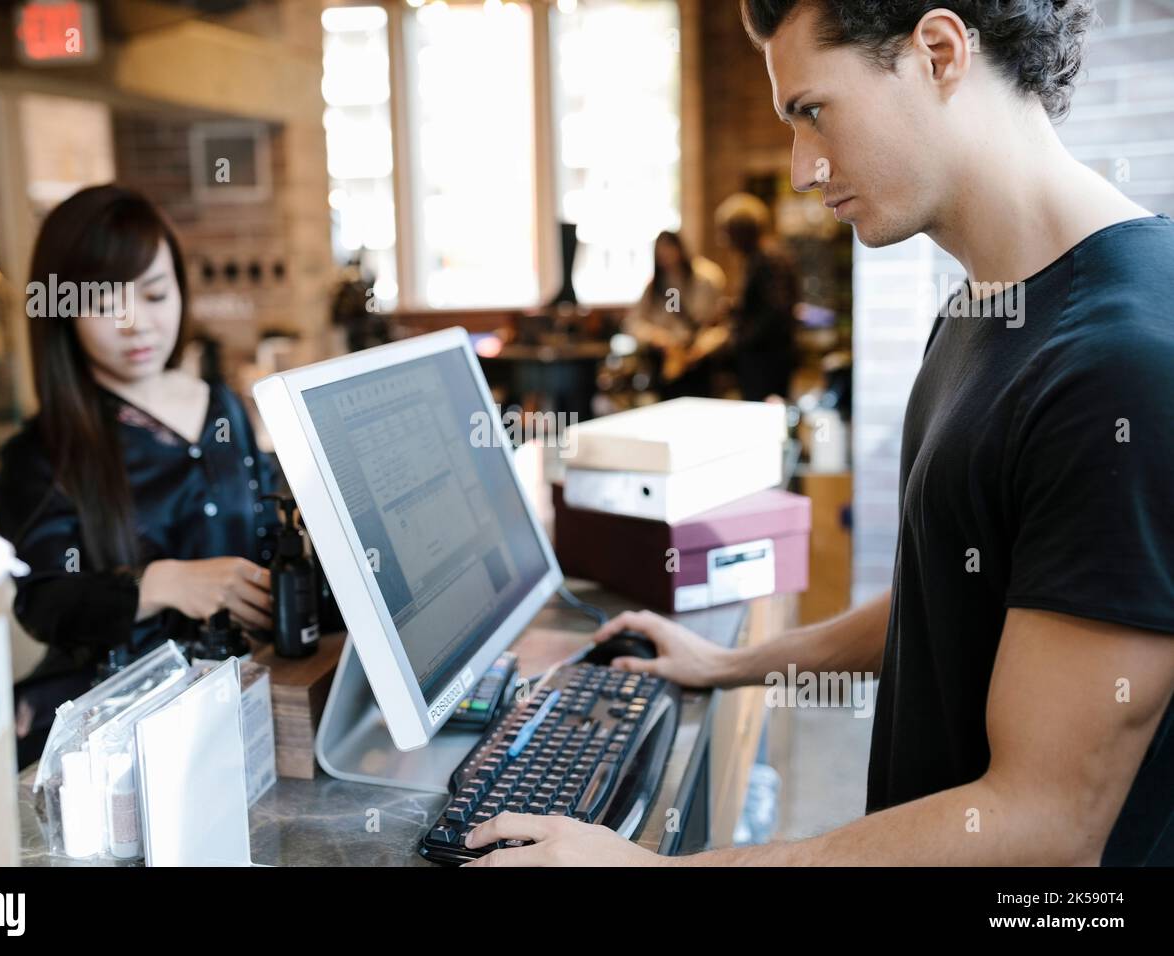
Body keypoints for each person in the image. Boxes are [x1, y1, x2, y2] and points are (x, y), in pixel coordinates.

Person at [461, 0, 1174, 866]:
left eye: (811, 111)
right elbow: (952, 586)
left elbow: (1045, 824)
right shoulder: (979, 310)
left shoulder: (1124, 364)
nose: (803, 169)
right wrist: (738, 663)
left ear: (939, 53)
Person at [0, 185, 279, 767]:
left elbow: (265, 532)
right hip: (122, 729)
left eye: (154, 294)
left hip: (252, 697)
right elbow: (43, 598)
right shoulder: (41, 451)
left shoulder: (221, 404)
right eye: (103, 304)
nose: (136, 324)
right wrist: (163, 582)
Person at [715, 192, 799, 401]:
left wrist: (739, 339)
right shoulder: (764, 257)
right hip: (766, 355)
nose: (725, 241)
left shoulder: (766, 259)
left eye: (729, 233)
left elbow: (776, 310)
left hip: (766, 359)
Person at [622, 230, 726, 398]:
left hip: (698, 357)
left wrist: (702, 346)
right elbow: (634, 322)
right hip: (668, 358)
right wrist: (658, 337)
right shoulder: (658, 285)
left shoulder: (705, 279)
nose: (667, 257)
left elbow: (718, 321)